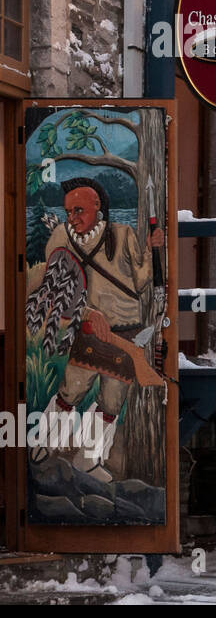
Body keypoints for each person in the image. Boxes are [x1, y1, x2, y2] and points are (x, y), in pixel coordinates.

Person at [27, 177, 164, 481]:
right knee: (71, 390)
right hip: (89, 329)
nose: (72, 218)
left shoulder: (123, 234)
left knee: (112, 401)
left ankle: (87, 460)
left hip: (127, 331)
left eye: (79, 210)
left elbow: (140, 283)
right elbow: (56, 287)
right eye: (68, 212)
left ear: (97, 206)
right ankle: (44, 443)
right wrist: (87, 313)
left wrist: (151, 250)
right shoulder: (61, 237)